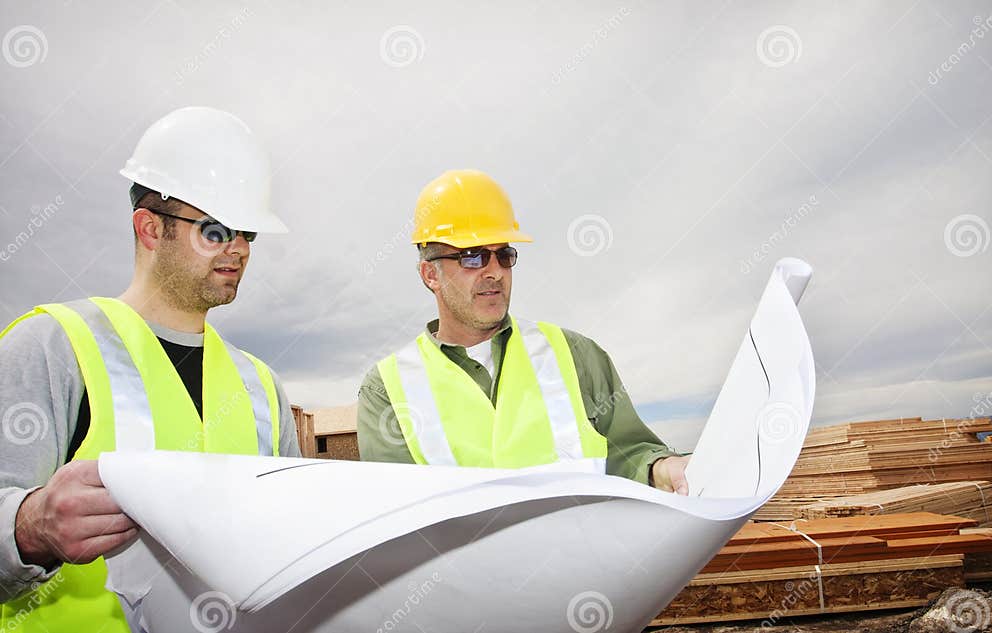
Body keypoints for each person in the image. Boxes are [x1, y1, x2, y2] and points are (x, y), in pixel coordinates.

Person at [0, 106, 301, 632]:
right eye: (216, 230)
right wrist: (30, 528)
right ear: (150, 228)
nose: (238, 249)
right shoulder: (52, 347)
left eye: (247, 232)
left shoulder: (262, 387)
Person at [357, 169, 689, 489]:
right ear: (431, 275)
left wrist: (662, 469)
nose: (494, 272)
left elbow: (630, 455)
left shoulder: (577, 354)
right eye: (473, 257)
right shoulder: (387, 389)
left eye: (503, 255)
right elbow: (398, 505)